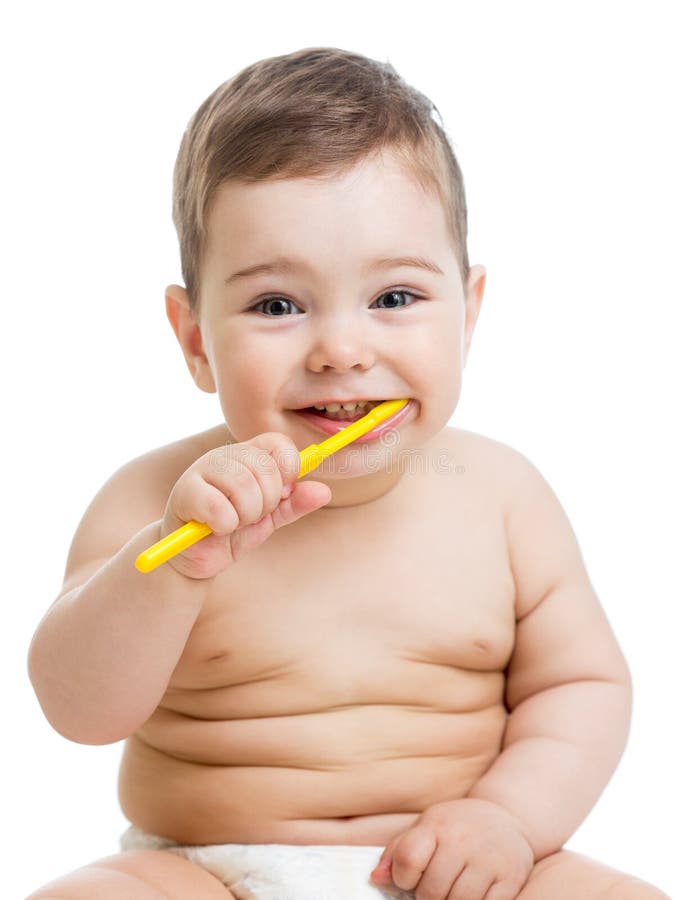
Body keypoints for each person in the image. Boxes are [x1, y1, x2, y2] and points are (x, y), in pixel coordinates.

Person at [27, 47, 668, 900]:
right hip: (206, 872)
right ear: (194, 340)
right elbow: (78, 709)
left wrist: (508, 819)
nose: (341, 352)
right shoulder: (155, 504)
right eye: (277, 306)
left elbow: (582, 685)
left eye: (395, 297)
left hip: (468, 875)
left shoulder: (504, 497)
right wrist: (170, 568)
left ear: (469, 315)